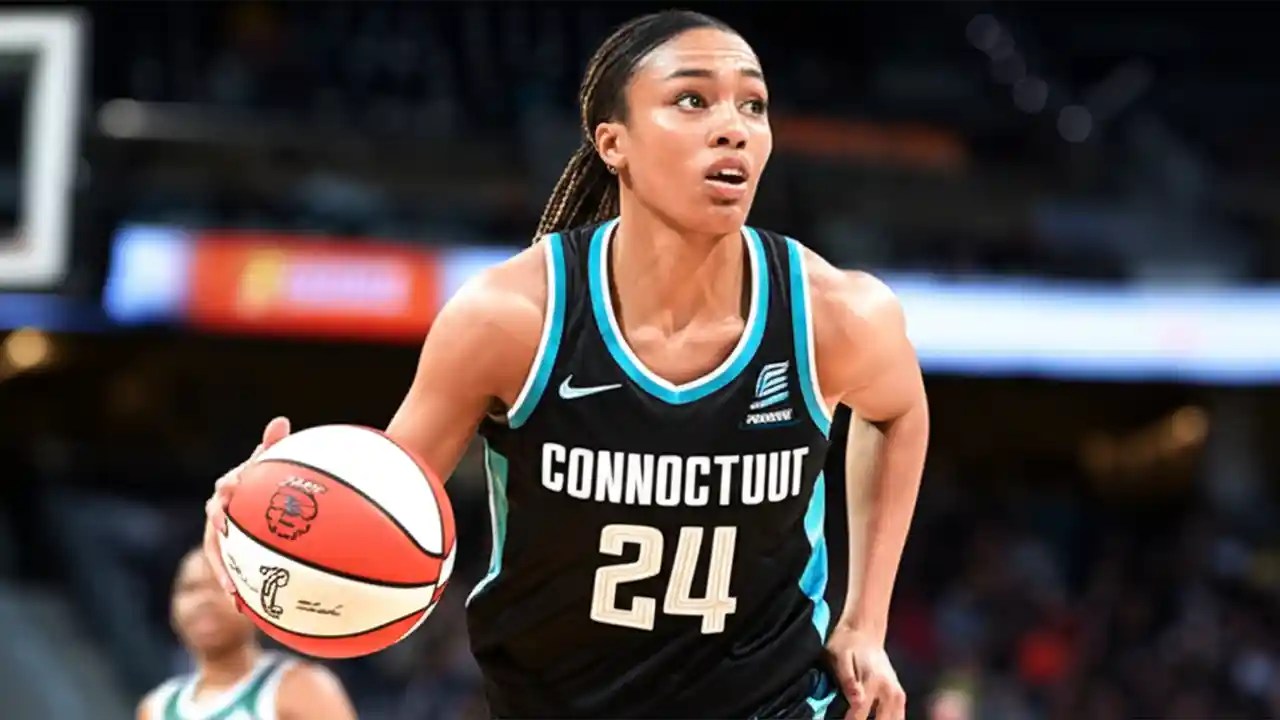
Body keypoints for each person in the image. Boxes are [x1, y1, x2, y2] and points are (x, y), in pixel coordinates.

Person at [204, 10, 928, 719]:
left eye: (753, 103)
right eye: (692, 99)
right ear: (613, 142)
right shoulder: (510, 319)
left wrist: (866, 621)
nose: (733, 125)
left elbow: (898, 409)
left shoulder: (834, 314)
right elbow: (387, 505)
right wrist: (268, 529)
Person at [137, 548, 357, 720]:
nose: (204, 600)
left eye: (221, 585)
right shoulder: (156, 708)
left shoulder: (300, 686)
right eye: (190, 588)